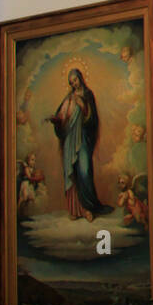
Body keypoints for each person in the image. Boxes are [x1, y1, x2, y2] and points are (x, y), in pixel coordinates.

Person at [45, 67, 112, 221]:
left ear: (80, 78)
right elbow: (62, 117)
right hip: (70, 139)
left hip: (83, 137)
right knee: (72, 172)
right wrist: (56, 121)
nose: (74, 83)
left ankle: (88, 208)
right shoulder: (69, 97)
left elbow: (92, 119)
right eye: (71, 82)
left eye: (75, 80)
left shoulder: (88, 95)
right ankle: (76, 210)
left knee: (84, 170)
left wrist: (83, 107)